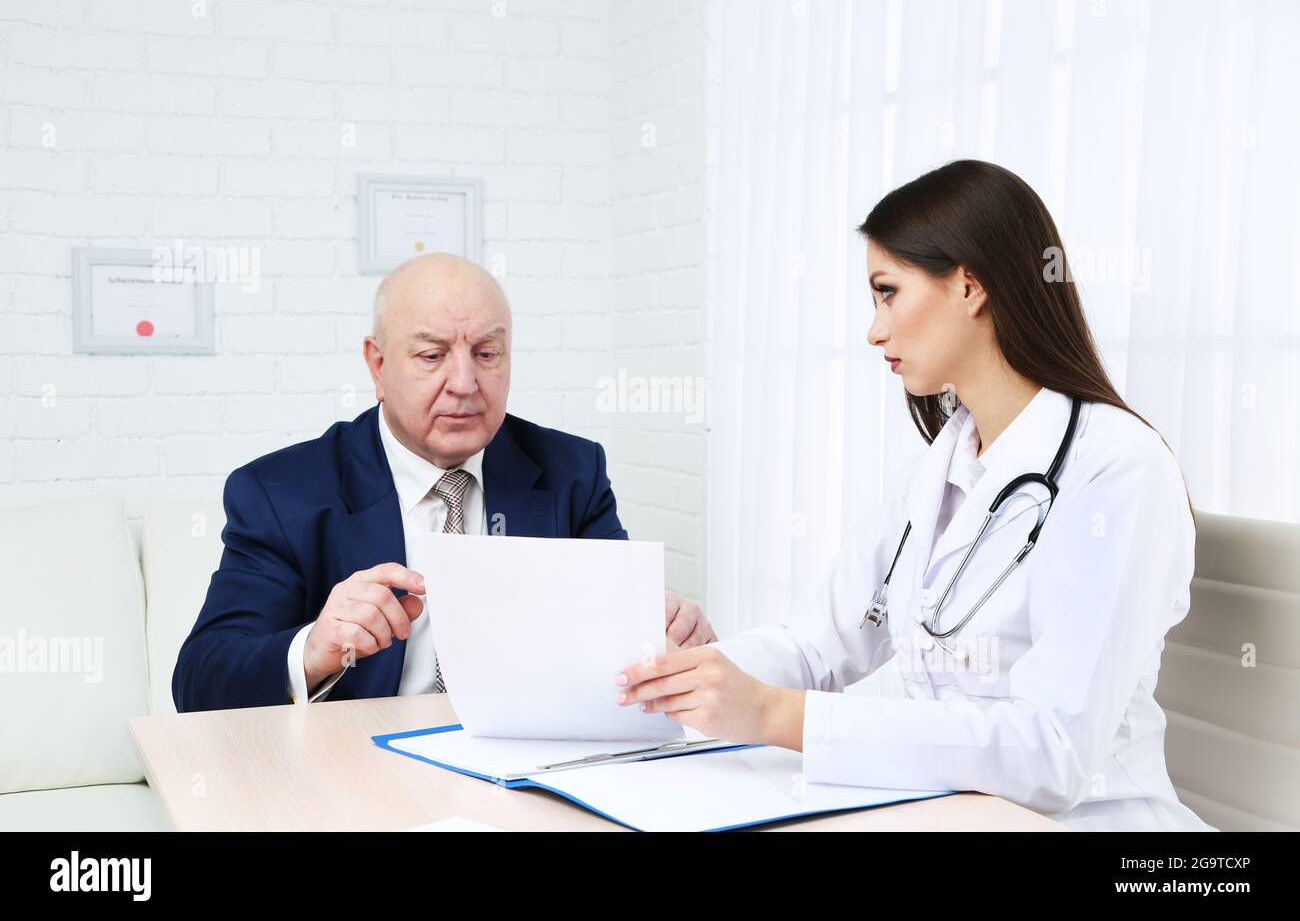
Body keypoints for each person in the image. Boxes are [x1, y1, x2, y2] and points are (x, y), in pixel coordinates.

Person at [616, 160, 1211, 831]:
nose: (874, 330)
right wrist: (679, 675)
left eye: (887, 292)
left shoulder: (1117, 471)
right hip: (946, 815)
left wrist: (779, 715)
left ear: (969, 285)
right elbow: (820, 645)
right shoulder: (943, 466)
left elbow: (1053, 753)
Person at [174, 253, 715, 712]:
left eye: (486, 354)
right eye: (432, 356)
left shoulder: (571, 471)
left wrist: (662, 638)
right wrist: (313, 649)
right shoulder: (280, 493)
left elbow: (618, 647)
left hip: (525, 764)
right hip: (359, 772)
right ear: (378, 365)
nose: (464, 384)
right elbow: (200, 681)